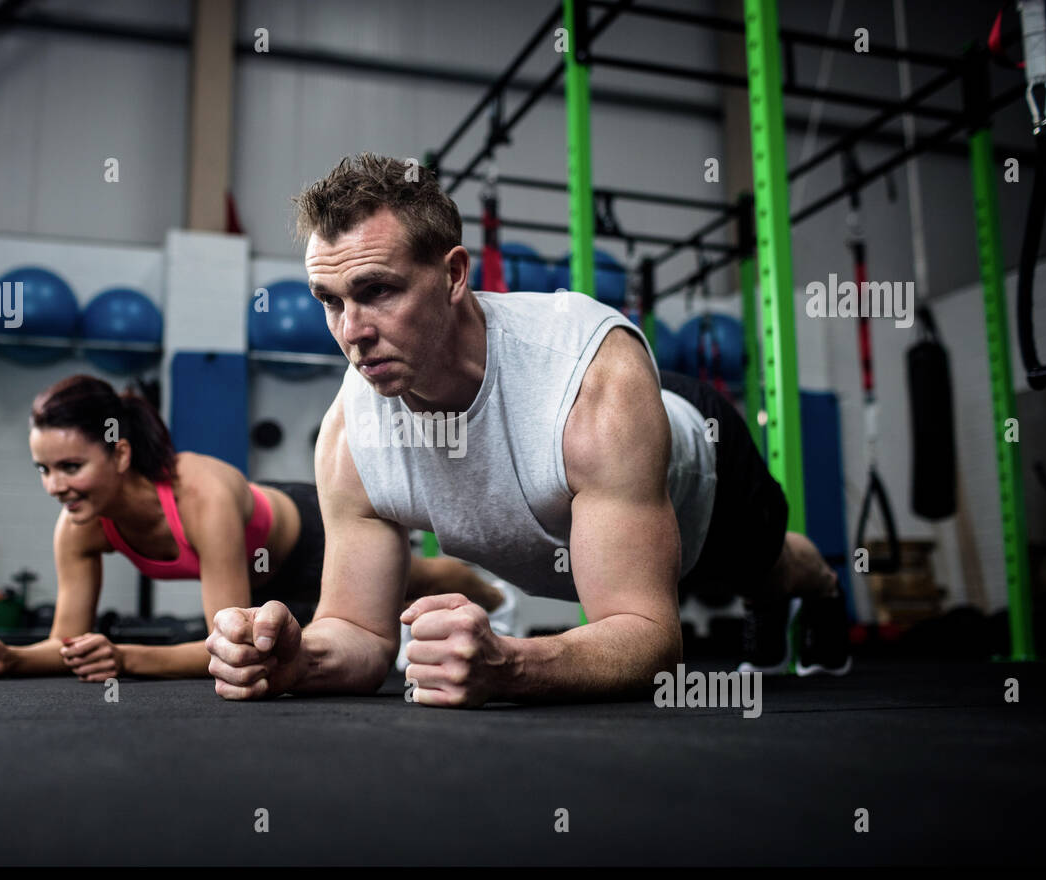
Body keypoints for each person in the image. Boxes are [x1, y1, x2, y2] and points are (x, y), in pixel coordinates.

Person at [204, 152, 851, 707]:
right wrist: (298, 658)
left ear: (454, 275)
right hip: (609, 487)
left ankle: (816, 584)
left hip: (697, 469)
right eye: (331, 300)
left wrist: (510, 665)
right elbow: (361, 634)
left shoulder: (589, 378)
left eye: (377, 291)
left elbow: (649, 635)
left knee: (761, 569)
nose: (352, 331)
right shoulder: (350, 436)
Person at [0, 374, 507, 681]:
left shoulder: (199, 494)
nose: (55, 486)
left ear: (118, 455)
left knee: (419, 576)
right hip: (258, 591)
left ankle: (500, 599)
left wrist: (129, 656)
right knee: (283, 645)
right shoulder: (80, 529)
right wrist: (11, 656)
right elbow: (67, 639)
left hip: (309, 536)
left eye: (70, 467)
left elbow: (224, 639)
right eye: (43, 469)